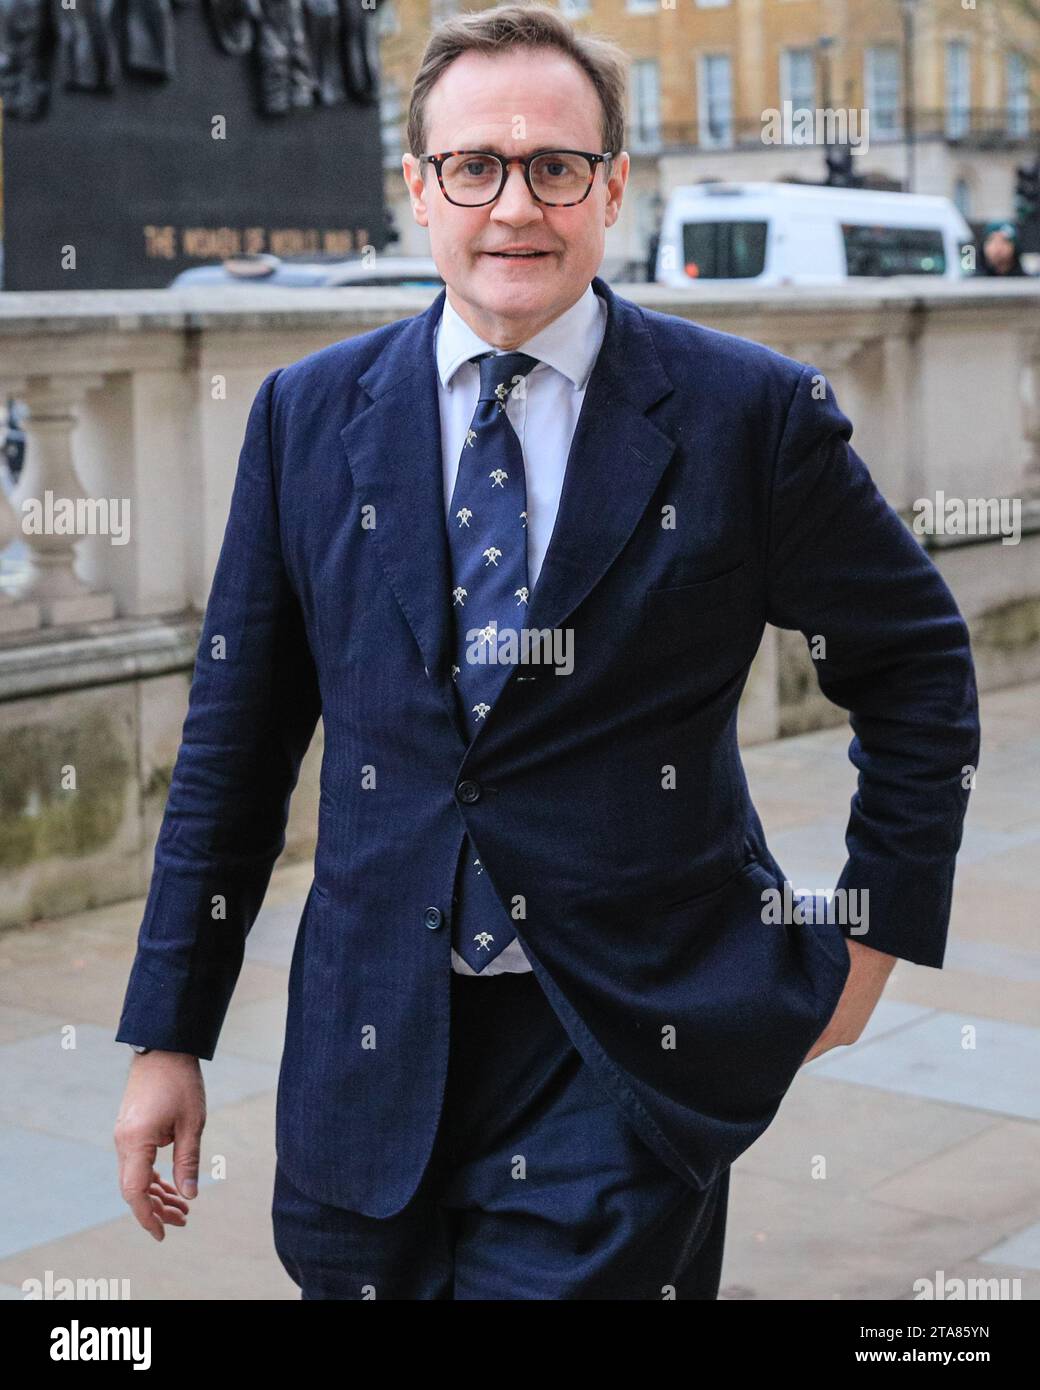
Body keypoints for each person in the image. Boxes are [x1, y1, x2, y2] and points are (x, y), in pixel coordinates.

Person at [113, 4, 981, 1300]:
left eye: (554, 166)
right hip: (367, 1061)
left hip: (624, 1057)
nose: (513, 204)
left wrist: (867, 938)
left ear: (613, 186)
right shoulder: (304, 419)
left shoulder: (748, 414)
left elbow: (916, 664)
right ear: (418, 187)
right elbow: (233, 753)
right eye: (475, 165)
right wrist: (166, 1033)